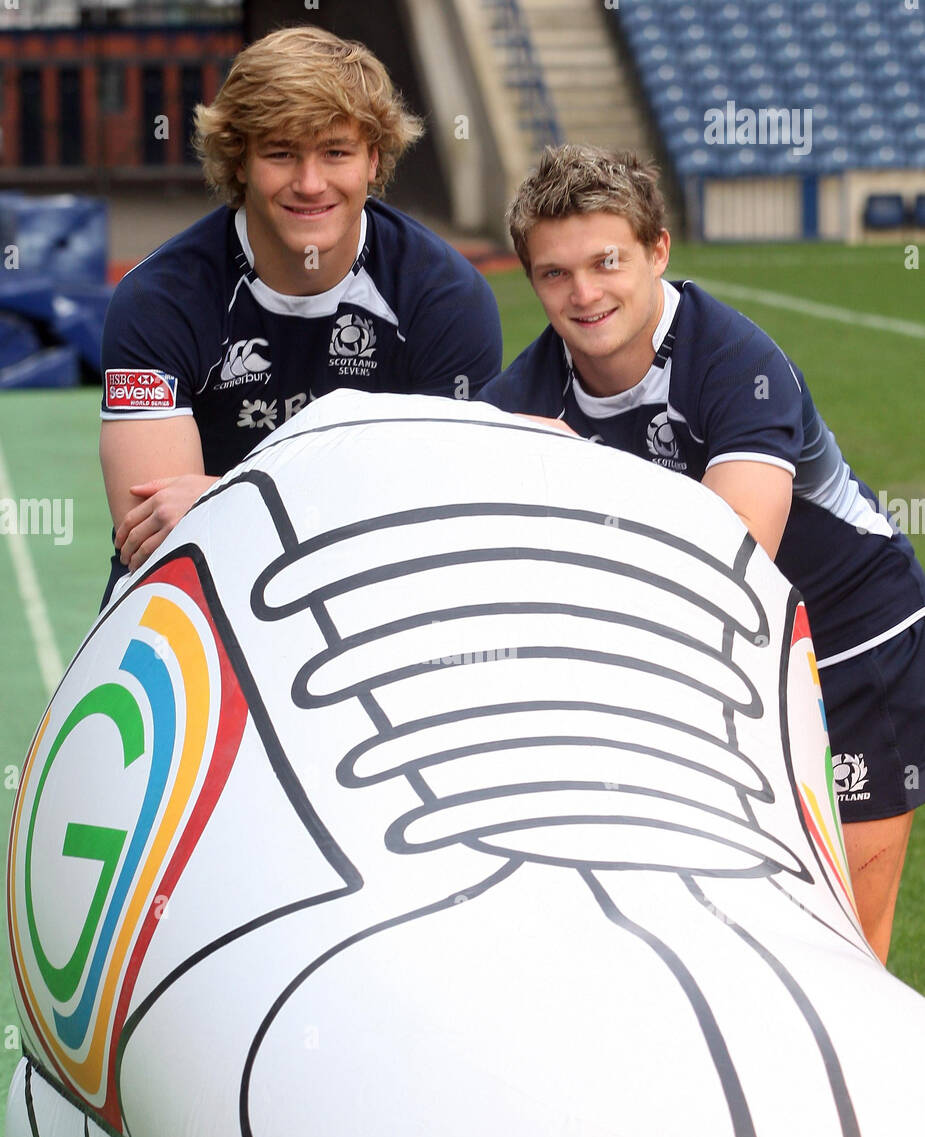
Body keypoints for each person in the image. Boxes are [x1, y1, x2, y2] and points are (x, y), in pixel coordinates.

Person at [477, 144, 925, 962]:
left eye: (606, 261)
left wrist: (570, 472)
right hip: (712, 658)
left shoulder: (738, 365)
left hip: (850, 643)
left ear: (657, 250)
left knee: (845, 934)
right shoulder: (520, 399)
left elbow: (727, 563)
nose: (583, 294)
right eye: (553, 274)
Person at [100, 25, 502, 604]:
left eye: (335, 152)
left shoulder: (443, 297)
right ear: (239, 162)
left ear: (373, 159)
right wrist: (353, 503)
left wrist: (223, 497)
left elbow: (441, 520)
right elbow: (160, 545)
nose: (309, 184)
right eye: (281, 153)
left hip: (374, 593)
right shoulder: (158, 301)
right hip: (198, 606)